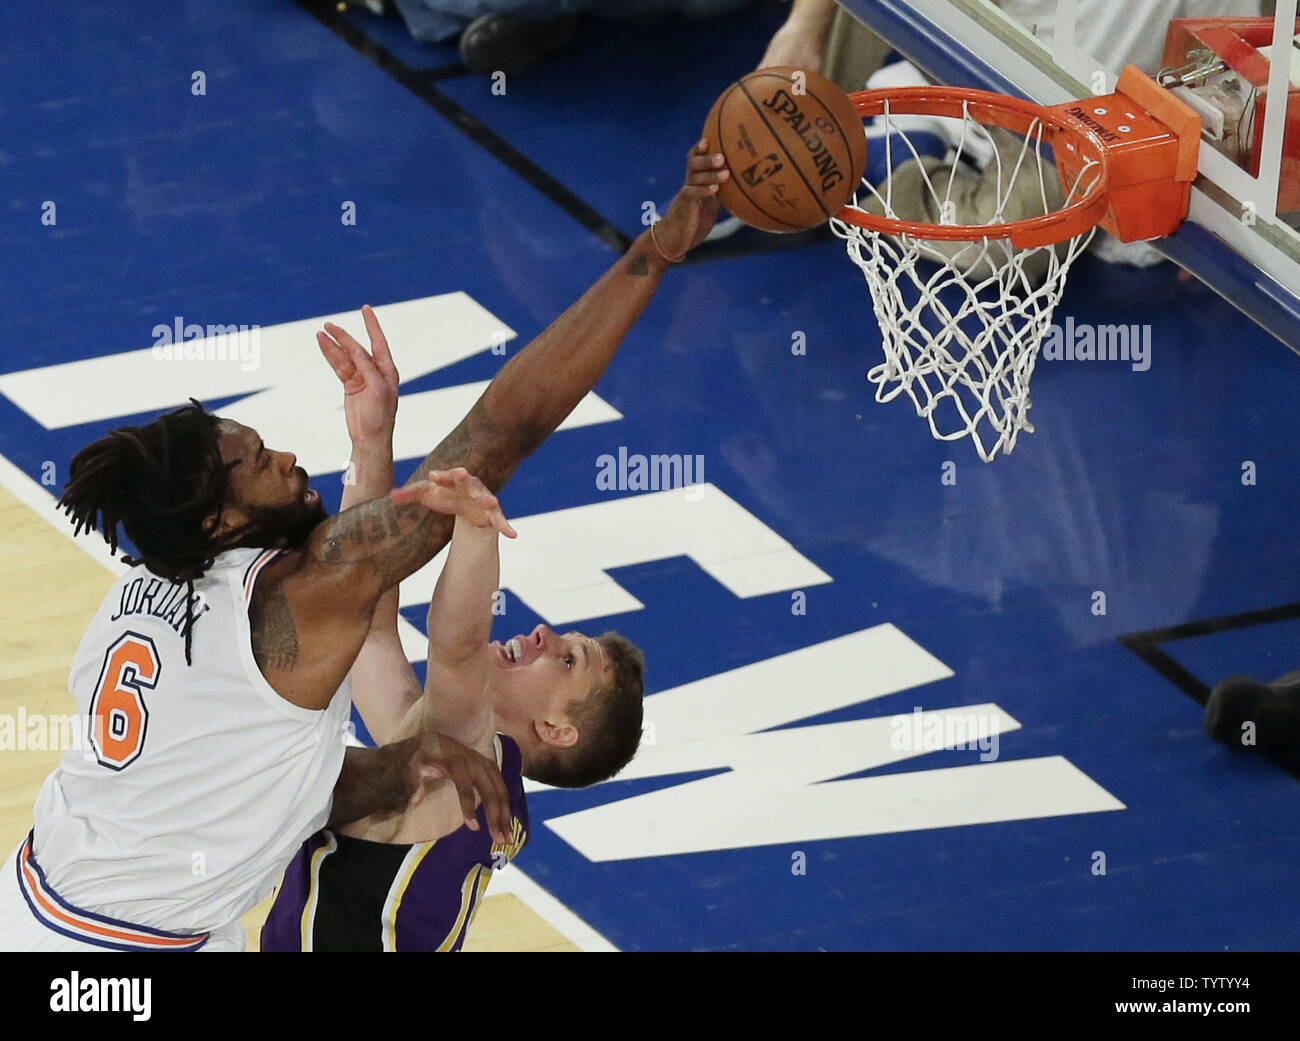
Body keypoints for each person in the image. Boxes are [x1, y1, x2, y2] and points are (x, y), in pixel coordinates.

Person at [0, 140, 728, 952]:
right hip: (113, 948)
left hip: (46, 891)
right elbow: (505, 429)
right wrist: (653, 254)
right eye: (256, 462)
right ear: (219, 521)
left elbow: (279, 759)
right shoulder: (296, 600)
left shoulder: (146, 586)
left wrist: (371, 442)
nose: (285, 458)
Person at [260, 463, 645, 951]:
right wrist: (370, 447)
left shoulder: (469, 767)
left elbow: (457, 647)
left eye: (568, 660)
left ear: (554, 728)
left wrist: (476, 529)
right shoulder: (450, 760)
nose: (542, 633)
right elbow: (370, 626)